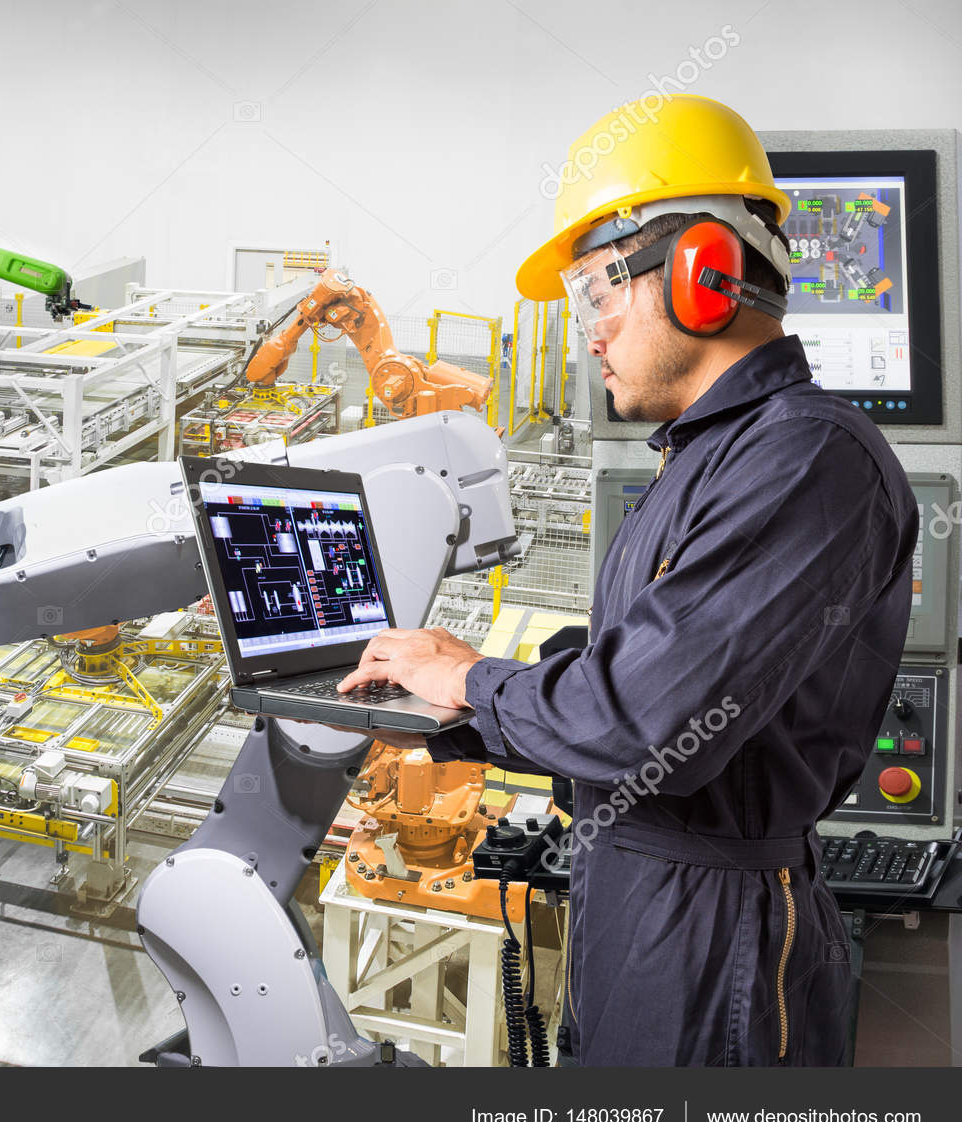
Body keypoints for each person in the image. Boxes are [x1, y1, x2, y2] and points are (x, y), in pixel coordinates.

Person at [338, 94, 917, 1065]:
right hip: (642, 905)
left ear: (702, 274)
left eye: (599, 295)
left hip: (714, 941)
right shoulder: (702, 456)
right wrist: (442, 711)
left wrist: (470, 679)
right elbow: (628, 669)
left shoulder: (810, 459)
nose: (589, 334)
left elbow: (650, 719)